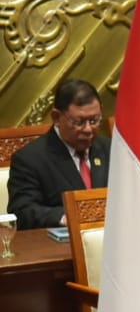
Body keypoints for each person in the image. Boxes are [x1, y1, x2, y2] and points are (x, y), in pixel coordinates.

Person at [7, 79, 111, 229]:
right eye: (79, 122)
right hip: (62, 245)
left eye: (94, 120)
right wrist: (65, 218)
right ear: (56, 118)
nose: (88, 129)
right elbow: (22, 211)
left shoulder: (110, 149)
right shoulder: (29, 159)